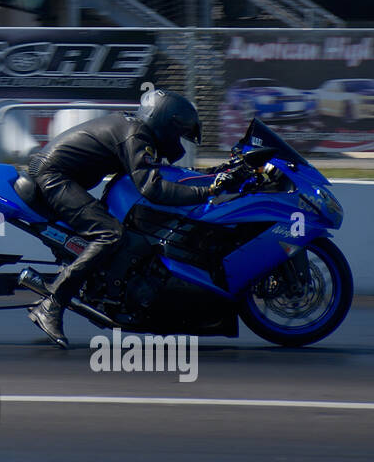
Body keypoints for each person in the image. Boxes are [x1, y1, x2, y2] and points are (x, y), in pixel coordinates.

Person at [24, 89, 234, 348]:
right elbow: (152, 188)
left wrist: (217, 173)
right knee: (110, 234)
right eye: (180, 134)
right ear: (167, 123)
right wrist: (207, 192)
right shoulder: (137, 135)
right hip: (54, 177)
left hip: (64, 176)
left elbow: (167, 173)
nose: (179, 142)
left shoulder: (136, 130)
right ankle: (52, 304)